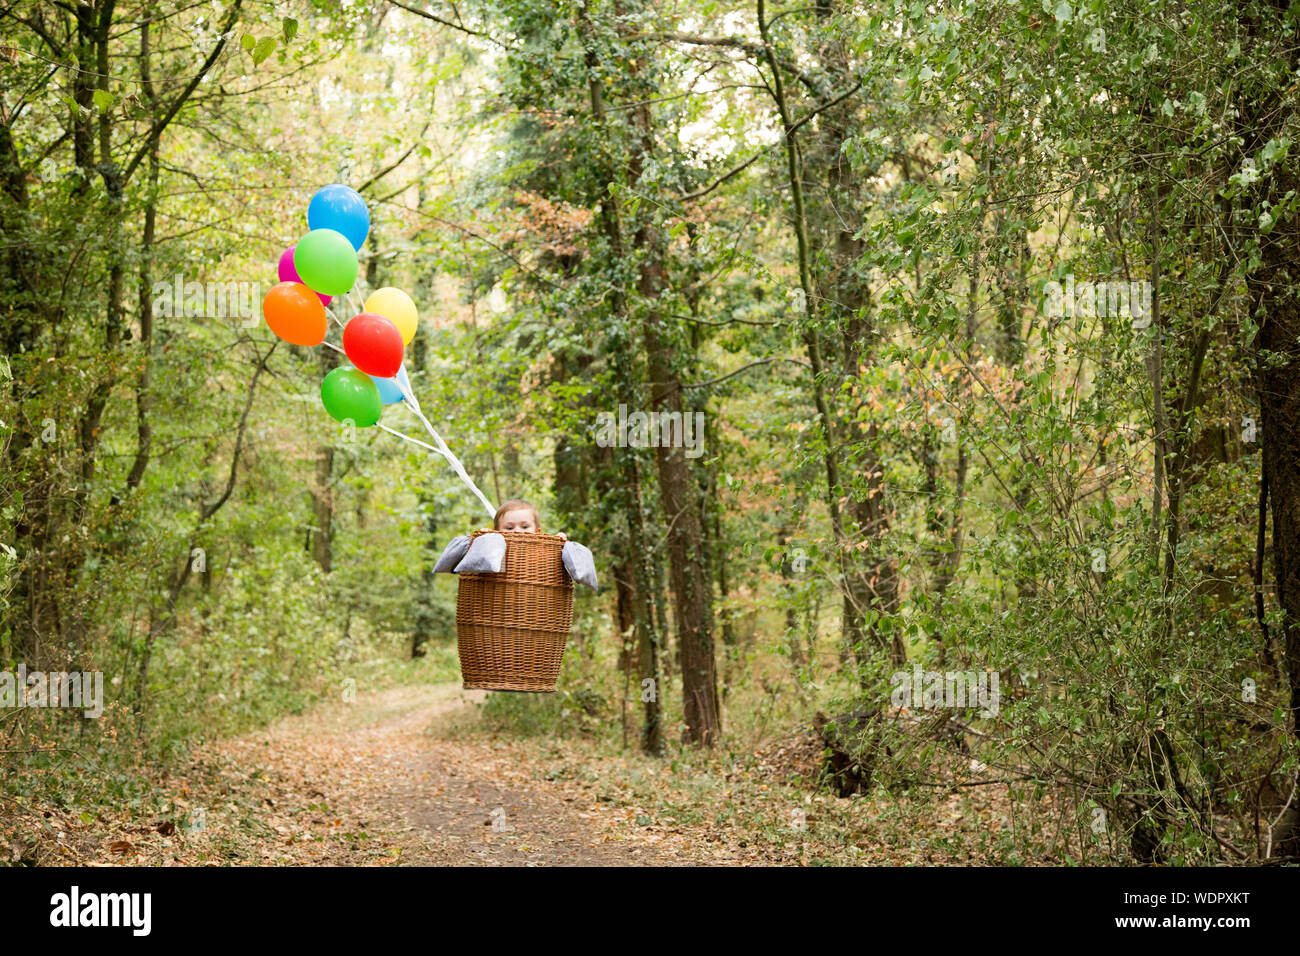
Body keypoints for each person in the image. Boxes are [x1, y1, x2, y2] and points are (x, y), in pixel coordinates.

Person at [493, 499, 565, 540]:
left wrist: (559, 541)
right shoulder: (495, 552)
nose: (517, 531)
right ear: (497, 533)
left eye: (524, 527)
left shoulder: (541, 550)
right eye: (509, 528)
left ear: (537, 532)